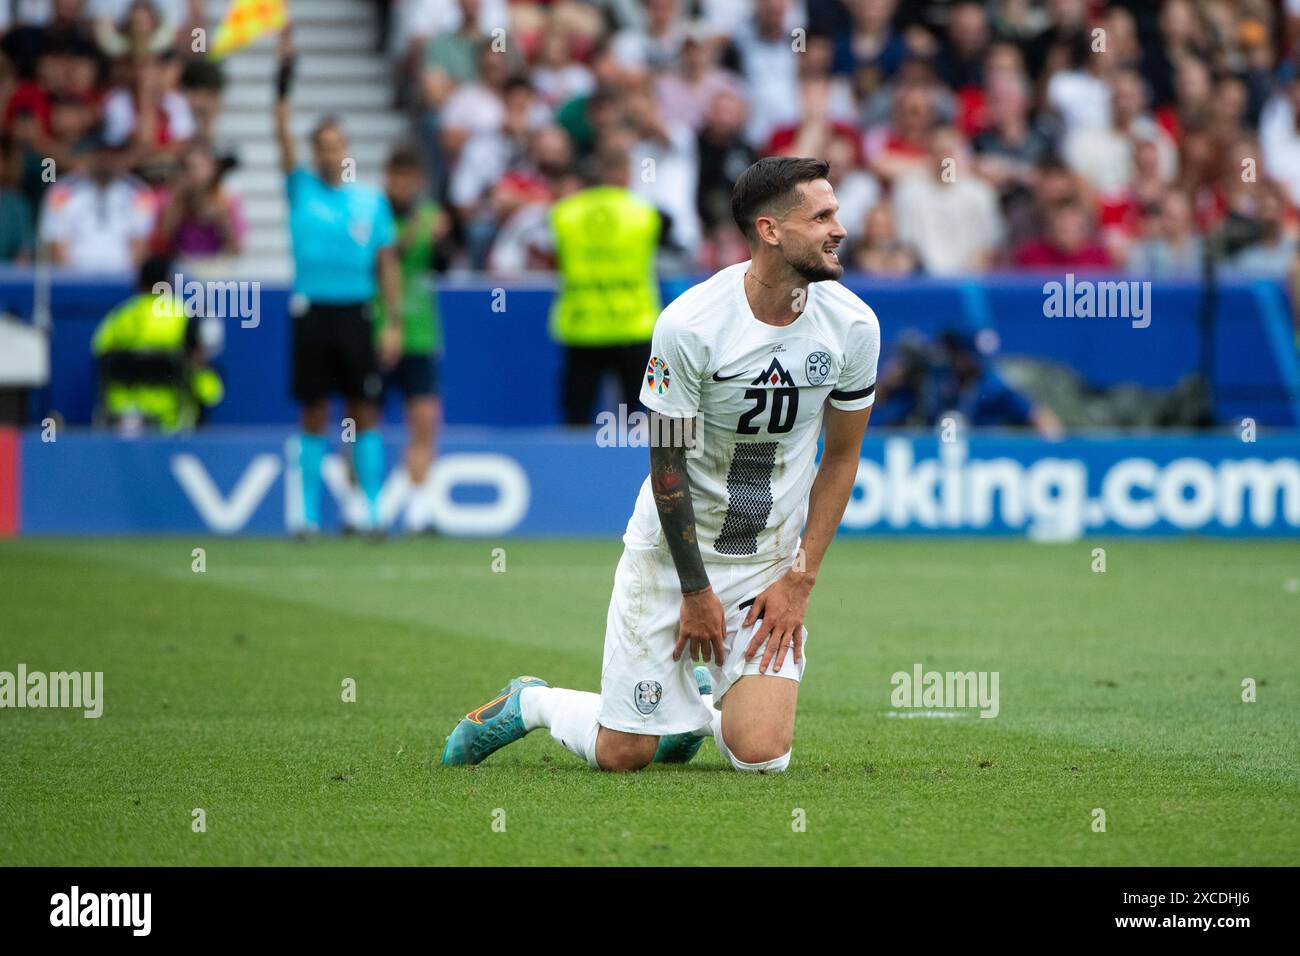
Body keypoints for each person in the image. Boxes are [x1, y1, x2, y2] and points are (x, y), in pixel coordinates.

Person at [442, 157, 881, 774]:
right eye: (823, 216)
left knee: (763, 759)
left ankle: (687, 710)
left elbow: (840, 457)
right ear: (770, 230)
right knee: (623, 756)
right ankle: (533, 702)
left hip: (768, 564)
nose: (841, 227)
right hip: (674, 557)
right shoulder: (691, 324)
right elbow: (666, 463)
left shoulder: (855, 326)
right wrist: (695, 590)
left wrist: (799, 580)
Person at [274, 26, 402, 538]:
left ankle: (369, 509)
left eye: (336, 145)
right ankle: (306, 513)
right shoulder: (299, 188)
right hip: (312, 309)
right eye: (321, 145)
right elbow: (278, 125)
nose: (329, 153)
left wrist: (392, 321)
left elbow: (388, 264)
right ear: (313, 151)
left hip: (357, 310)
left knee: (364, 408)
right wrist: (285, 71)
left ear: (346, 149)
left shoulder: (370, 200)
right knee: (313, 410)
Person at [548, 145, 661, 424]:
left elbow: (555, 257)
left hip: (582, 323)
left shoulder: (564, 213)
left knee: (577, 416)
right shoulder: (644, 214)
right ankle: (634, 469)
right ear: (624, 174)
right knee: (637, 418)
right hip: (632, 324)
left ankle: (572, 468)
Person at [374, 146, 448, 534]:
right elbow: (376, 263)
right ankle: (366, 507)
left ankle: (419, 509)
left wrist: (439, 240)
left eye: (408, 178)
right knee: (364, 419)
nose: (402, 186)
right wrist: (409, 238)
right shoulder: (373, 216)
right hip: (377, 328)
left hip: (421, 331)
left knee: (424, 420)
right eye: (395, 177)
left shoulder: (431, 217)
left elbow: (445, 264)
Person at [91, 254, 223, 433]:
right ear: (169, 282)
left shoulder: (118, 317)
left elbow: (98, 352)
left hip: (122, 418)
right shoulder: (187, 316)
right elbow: (204, 371)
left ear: (139, 283)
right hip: (173, 421)